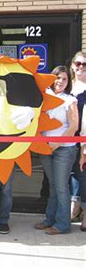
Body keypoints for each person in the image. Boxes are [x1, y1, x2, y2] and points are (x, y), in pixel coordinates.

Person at [35, 66, 78, 235]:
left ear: (68, 82)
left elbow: (73, 126)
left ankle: (63, 224)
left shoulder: (69, 100)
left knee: (61, 187)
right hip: (46, 149)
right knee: (52, 186)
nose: (60, 81)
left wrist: (57, 144)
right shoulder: (44, 97)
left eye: (64, 79)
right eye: (57, 77)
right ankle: (49, 220)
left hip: (64, 150)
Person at [69, 51, 86, 222]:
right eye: (78, 63)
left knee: (83, 173)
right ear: (73, 65)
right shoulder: (67, 86)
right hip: (67, 138)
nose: (80, 67)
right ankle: (74, 206)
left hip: (84, 138)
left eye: (84, 64)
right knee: (73, 172)